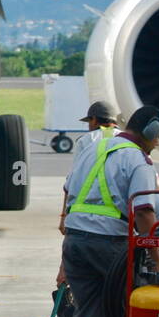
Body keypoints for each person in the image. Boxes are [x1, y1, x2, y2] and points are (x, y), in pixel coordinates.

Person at [56, 105, 159, 317]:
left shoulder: (94, 149)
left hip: (75, 243)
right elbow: (143, 211)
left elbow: (68, 190)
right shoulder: (138, 160)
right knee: (129, 311)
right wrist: (158, 261)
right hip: (111, 243)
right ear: (151, 131)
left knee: (88, 312)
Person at [59, 101, 120, 235]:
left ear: (94, 120)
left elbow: (72, 179)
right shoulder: (127, 139)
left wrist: (64, 216)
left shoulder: (85, 140)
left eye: (89, 121)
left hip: (85, 220)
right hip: (119, 221)